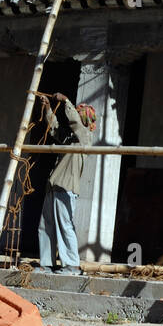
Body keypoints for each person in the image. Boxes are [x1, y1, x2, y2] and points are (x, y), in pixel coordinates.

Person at [38, 93, 95, 275]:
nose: (76, 115)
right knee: (46, 225)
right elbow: (54, 128)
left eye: (79, 113)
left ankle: (72, 265)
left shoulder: (85, 137)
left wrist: (66, 101)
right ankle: (46, 263)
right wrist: (47, 108)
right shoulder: (71, 138)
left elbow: (74, 122)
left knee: (65, 225)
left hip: (67, 188)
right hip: (55, 185)